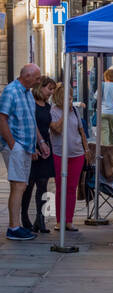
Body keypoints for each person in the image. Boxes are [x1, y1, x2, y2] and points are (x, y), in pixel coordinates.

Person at [48, 81, 86, 233]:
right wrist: (64, 113)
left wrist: (87, 150)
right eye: (67, 97)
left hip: (77, 154)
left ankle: (69, 220)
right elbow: (56, 130)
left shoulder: (75, 111)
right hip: (59, 153)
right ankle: (59, 220)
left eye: (71, 97)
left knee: (72, 188)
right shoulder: (53, 111)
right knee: (60, 188)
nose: (70, 100)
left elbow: (81, 131)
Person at [20, 79, 55, 234]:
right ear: (41, 88)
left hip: (46, 147)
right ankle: (24, 217)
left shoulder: (48, 106)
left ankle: (40, 220)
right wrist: (35, 145)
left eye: (53, 89)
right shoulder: (31, 104)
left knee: (43, 184)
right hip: (33, 146)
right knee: (28, 184)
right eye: (49, 89)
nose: (51, 92)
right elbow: (29, 126)